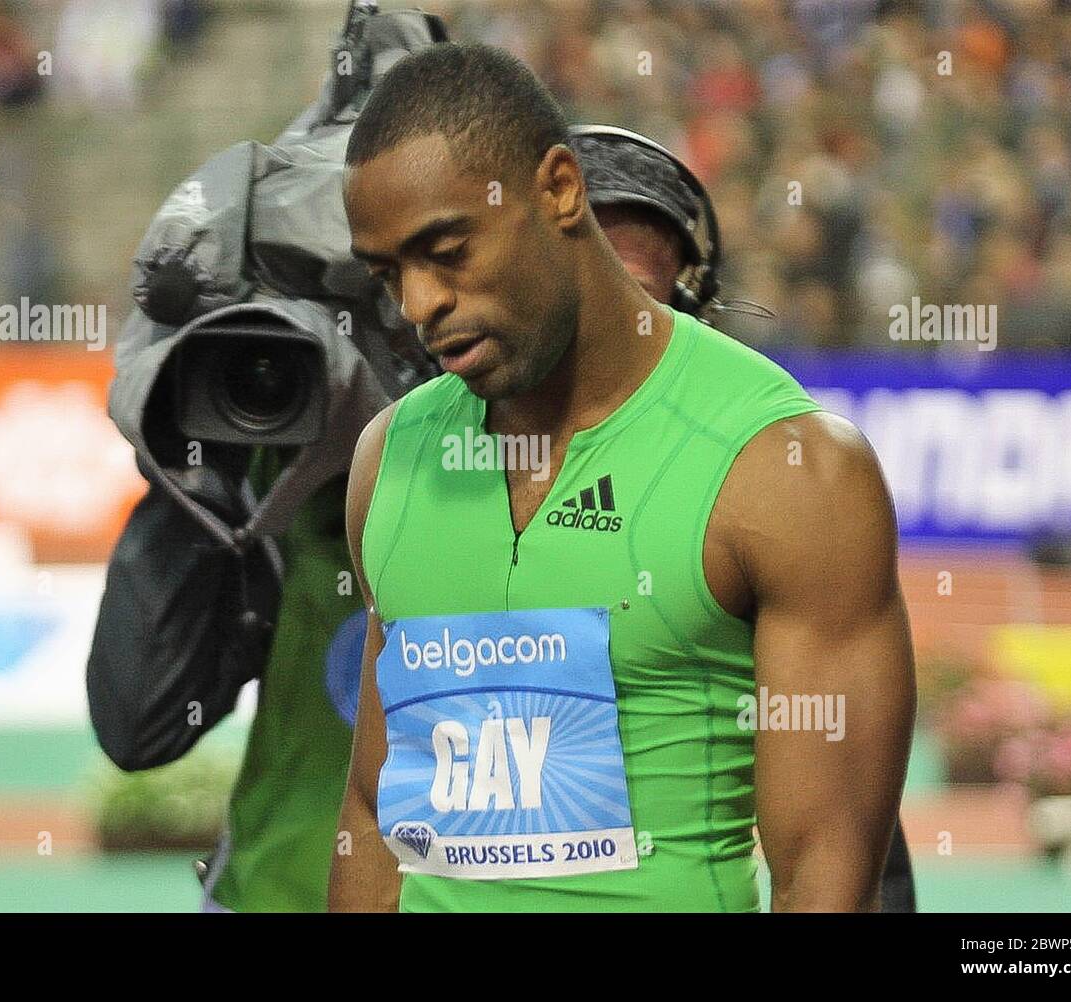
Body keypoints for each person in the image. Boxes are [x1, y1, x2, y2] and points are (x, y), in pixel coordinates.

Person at [330, 43, 916, 911]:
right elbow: (377, 814)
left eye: (446, 251)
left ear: (560, 189)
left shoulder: (786, 471)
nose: (419, 306)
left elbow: (824, 871)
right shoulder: (390, 461)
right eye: (390, 276)